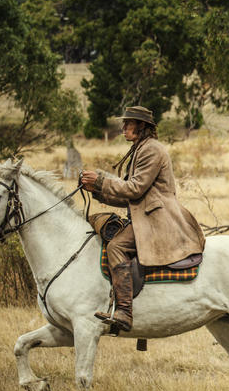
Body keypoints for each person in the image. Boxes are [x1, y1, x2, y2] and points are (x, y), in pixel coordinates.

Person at [80, 106, 205, 331]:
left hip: (158, 219)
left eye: (128, 123)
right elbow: (132, 197)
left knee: (116, 246)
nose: (123, 128)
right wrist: (97, 191)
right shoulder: (141, 148)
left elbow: (135, 189)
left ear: (141, 126)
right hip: (146, 216)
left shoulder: (151, 150)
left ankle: (124, 312)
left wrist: (100, 181)